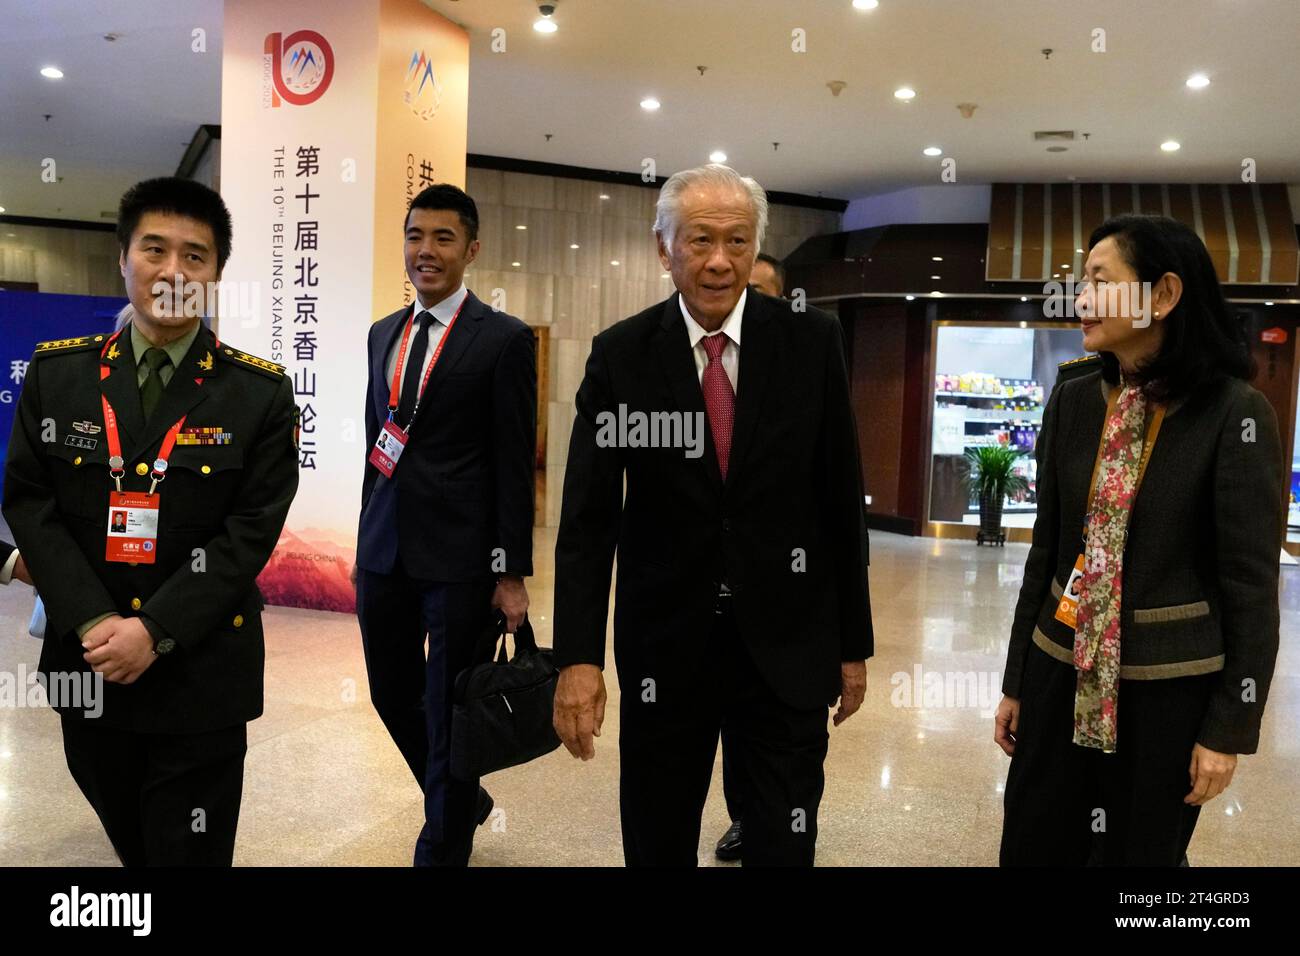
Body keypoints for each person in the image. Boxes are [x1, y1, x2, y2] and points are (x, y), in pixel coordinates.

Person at [552, 164, 873, 866]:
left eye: (737, 241)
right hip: (666, 649)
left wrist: (853, 645)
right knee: (658, 835)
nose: (720, 260)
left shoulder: (810, 343)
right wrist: (578, 658)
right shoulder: (622, 356)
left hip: (787, 646)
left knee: (784, 841)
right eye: (699, 240)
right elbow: (587, 521)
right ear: (662, 247)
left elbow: (839, 500)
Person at [3, 176, 299, 866]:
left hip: (202, 675)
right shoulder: (61, 375)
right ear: (123, 258)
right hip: (90, 664)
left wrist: (155, 630)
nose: (173, 271)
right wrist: (94, 621)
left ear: (217, 274)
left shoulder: (257, 393)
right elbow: (30, 504)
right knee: (134, 841)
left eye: (195, 256)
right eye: (155, 249)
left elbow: (249, 532)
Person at [995, 214, 1284, 866]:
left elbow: (1249, 587)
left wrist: (1228, 729)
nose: (1082, 298)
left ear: (1163, 295)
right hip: (1058, 674)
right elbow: (1048, 550)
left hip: (1164, 698)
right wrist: (1018, 679)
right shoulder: (1074, 398)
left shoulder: (1234, 414)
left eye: (1100, 280)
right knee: (1033, 847)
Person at [355, 183, 536, 867]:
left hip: (461, 558)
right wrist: (363, 535)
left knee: (449, 705)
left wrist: (509, 571)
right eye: (414, 236)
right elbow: (377, 447)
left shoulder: (504, 339)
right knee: (390, 692)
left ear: (472, 249)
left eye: (442, 238)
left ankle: (444, 839)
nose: (425, 251)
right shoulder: (383, 334)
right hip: (383, 549)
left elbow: (513, 466)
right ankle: (462, 797)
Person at [716, 248, 785, 861]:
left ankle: (760, 819)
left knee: (760, 735)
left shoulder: (803, 359)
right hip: (693, 616)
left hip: (780, 611)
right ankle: (742, 814)